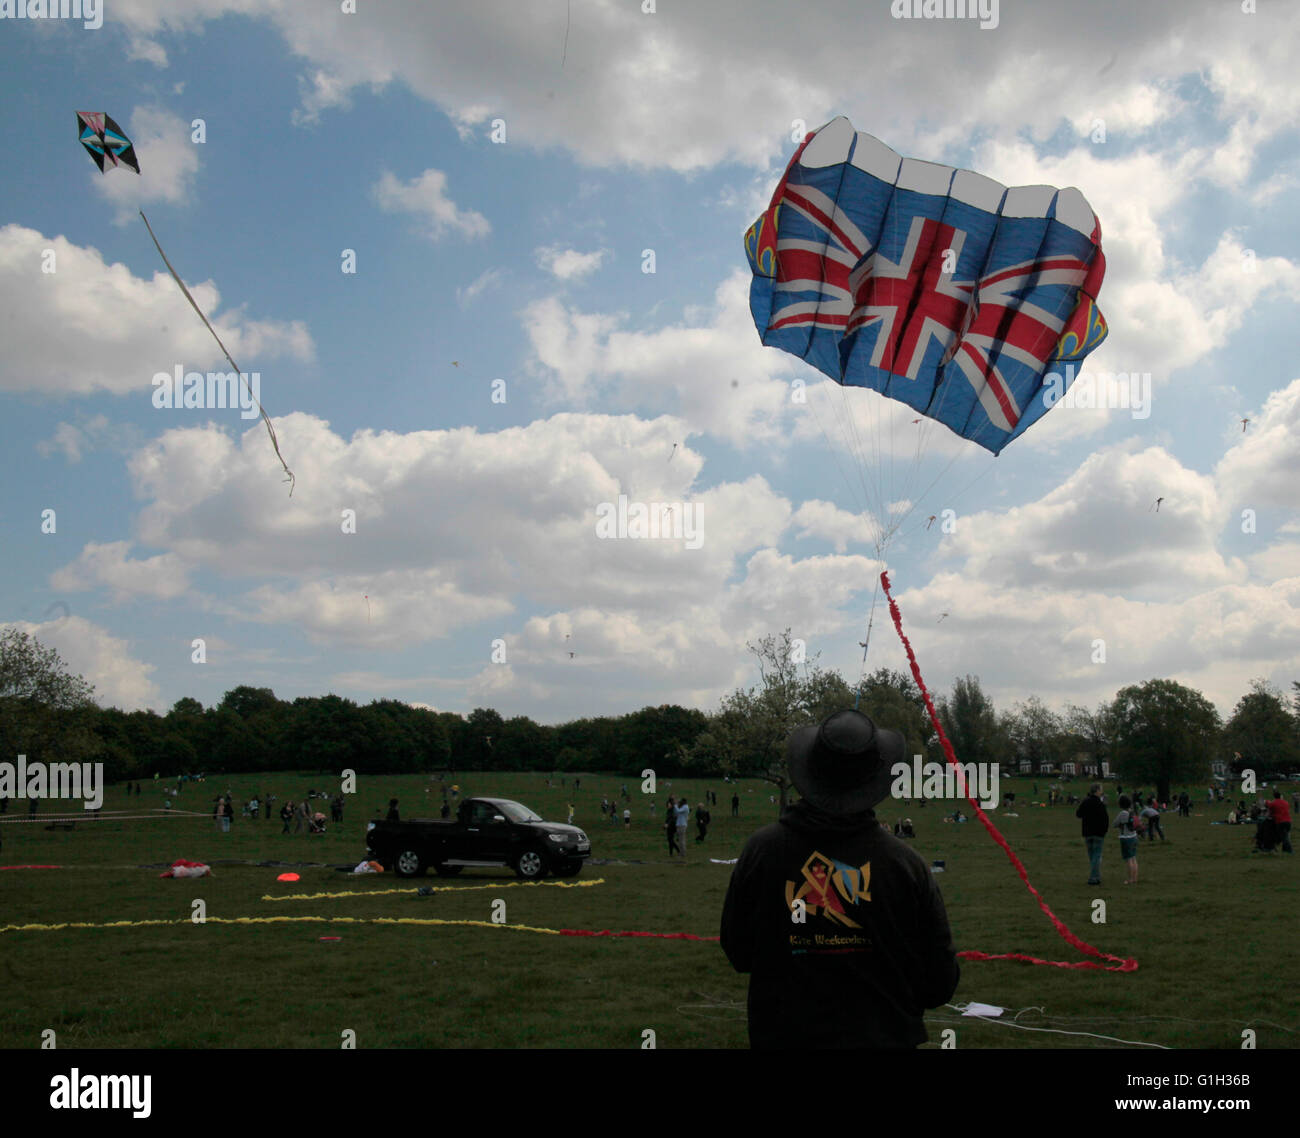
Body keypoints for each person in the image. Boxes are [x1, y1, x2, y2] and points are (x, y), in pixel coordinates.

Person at [720, 709, 959, 1049]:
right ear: (876, 779)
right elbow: (939, 983)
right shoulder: (906, 865)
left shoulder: (761, 851)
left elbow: (739, 952)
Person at [1076, 783, 1108, 885]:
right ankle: (1094, 878)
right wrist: (1104, 830)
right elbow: (1105, 819)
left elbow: (1078, 814)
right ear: (1097, 791)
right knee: (1097, 855)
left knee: (1092, 856)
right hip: (1098, 833)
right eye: (1101, 790)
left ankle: (1096, 876)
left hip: (1087, 832)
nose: (1102, 792)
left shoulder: (1086, 802)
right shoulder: (1100, 804)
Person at [1114, 795, 1140, 885]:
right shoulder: (1132, 812)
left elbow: (1115, 824)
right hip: (1134, 836)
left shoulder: (1123, 813)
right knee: (1133, 858)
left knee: (1128, 860)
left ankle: (1130, 879)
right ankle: (1135, 878)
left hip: (1125, 838)